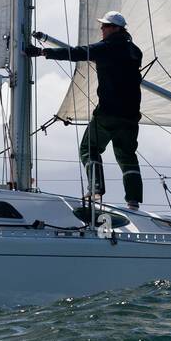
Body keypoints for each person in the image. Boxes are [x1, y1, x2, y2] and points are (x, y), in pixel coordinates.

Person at [27, 12, 143, 210]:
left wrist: (42, 52)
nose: (102, 29)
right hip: (131, 115)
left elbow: (78, 53)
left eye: (105, 26)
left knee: (89, 149)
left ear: (116, 29)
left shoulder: (107, 47)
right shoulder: (135, 51)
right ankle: (133, 201)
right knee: (127, 155)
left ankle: (96, 190)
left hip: (108, 112)